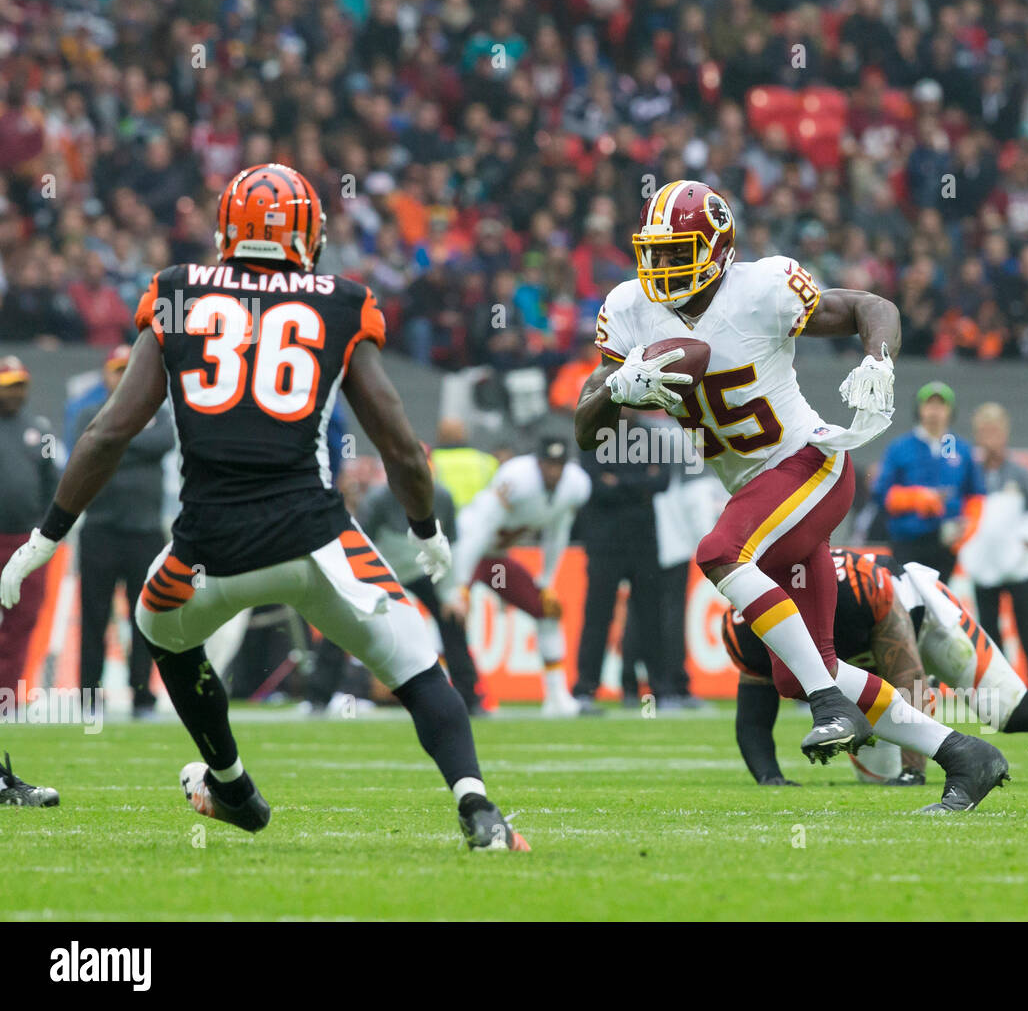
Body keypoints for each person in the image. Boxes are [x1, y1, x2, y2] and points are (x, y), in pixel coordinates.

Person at [0, 164, 526, 851]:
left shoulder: (177, 292)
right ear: (310, 235)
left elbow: (109, 431)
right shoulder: (340, 300)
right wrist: (426, 529)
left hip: (207, 550)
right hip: (317, 541)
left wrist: (45, 538)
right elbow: (397, 440)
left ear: (226, 229)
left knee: (157, 627)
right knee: (420, 666)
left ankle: (232, 785)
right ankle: (479, 809)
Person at [574, 179, 1008, 807]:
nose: (663, 267)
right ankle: (967, 755)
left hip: (809, 465)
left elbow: (872, 306)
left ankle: (833, 705)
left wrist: (878, 363)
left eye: (679, 251)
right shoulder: (631, 307)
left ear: (717, 247)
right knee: (801, 670)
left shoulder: (761, 289)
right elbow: (588, 431)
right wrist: (616, 389)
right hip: (757, 492)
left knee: (721, 551)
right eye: (657, 252)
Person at [723, 549, 1028, 790]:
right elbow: (753, 720)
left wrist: (914, 769)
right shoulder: (746, 626)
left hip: (925, 626)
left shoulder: (855, 589)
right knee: (878, 779)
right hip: (868, 666)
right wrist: (771, 781)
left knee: (1007, 712)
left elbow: (908, 673)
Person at [443, 435, 591, 717]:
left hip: (497, 559)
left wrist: (546, 582)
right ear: (538, 463)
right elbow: (480, 531)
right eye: (548, 465)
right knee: (453, 614)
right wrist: (461, 586)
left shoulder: (575, 486)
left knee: (546, 610)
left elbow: (556, 535)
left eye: (558, 465)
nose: (553, 472)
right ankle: (444, 691)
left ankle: (557, 698)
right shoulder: (517, 479)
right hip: (467, 550)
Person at [73, 344, 175, 717]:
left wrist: (116, 440)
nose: (121, 376)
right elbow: (88, 446)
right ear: (107, 374)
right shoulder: (89, 412)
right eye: (116, 369)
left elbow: (162, 443)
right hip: (100, 531)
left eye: (127, 368)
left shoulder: (158, 415)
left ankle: (142, 696)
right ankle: (88, 697)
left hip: (145, 533)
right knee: (93, 618)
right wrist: (129, 442)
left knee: (145, 620)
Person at [358, 458, 490, 715]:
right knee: (351, 615)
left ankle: (469, 696)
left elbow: (452, 546)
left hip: (422, 569)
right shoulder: (377, 501)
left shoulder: (443, 497)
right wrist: (360, 588)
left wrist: (453, 593)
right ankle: (327, 693)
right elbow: (360, 546)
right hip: (381, 570)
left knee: (452, 617)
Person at [573, 414, 670, 711]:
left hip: (643, 540)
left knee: (652, 616)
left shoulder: (652, 437)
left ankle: (660, 690)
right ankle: (585, 688)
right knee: (598, 616)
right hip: (605, 542)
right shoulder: (593, 434)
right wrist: (639, 485)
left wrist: (618, 482)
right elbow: (594, 485)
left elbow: (662, 481)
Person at [961, 402, 1028, 688]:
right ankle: (1003, 684)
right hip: (984, 565)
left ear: (1005, 434)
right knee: (989, 626)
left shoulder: (1020, 474)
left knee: (1027, 625)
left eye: (995, 431)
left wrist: (1026, 537)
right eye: (984, 432)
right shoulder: (970, 473)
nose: (990, 439)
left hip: (1019, 566)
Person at [873, 381, 984, 584]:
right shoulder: (901, 447)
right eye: (929, 404)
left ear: (950, 410)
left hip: (946, 543)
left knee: (939, 601)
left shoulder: (960, 448)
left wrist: (970, 526)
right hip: (908, 540)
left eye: (941, 405)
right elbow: (881, 493)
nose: (935, 411)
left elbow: (974, 493)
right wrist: (915, 499)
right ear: (919, 409)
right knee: (910, 599)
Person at [0, 356, 57, 689]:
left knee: (22, 619)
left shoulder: (42, 431)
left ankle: (6, 698)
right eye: (8, 386)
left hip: (26, 541)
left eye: (20, 385)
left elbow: (54, 482)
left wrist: (44, 529)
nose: (15, 393)